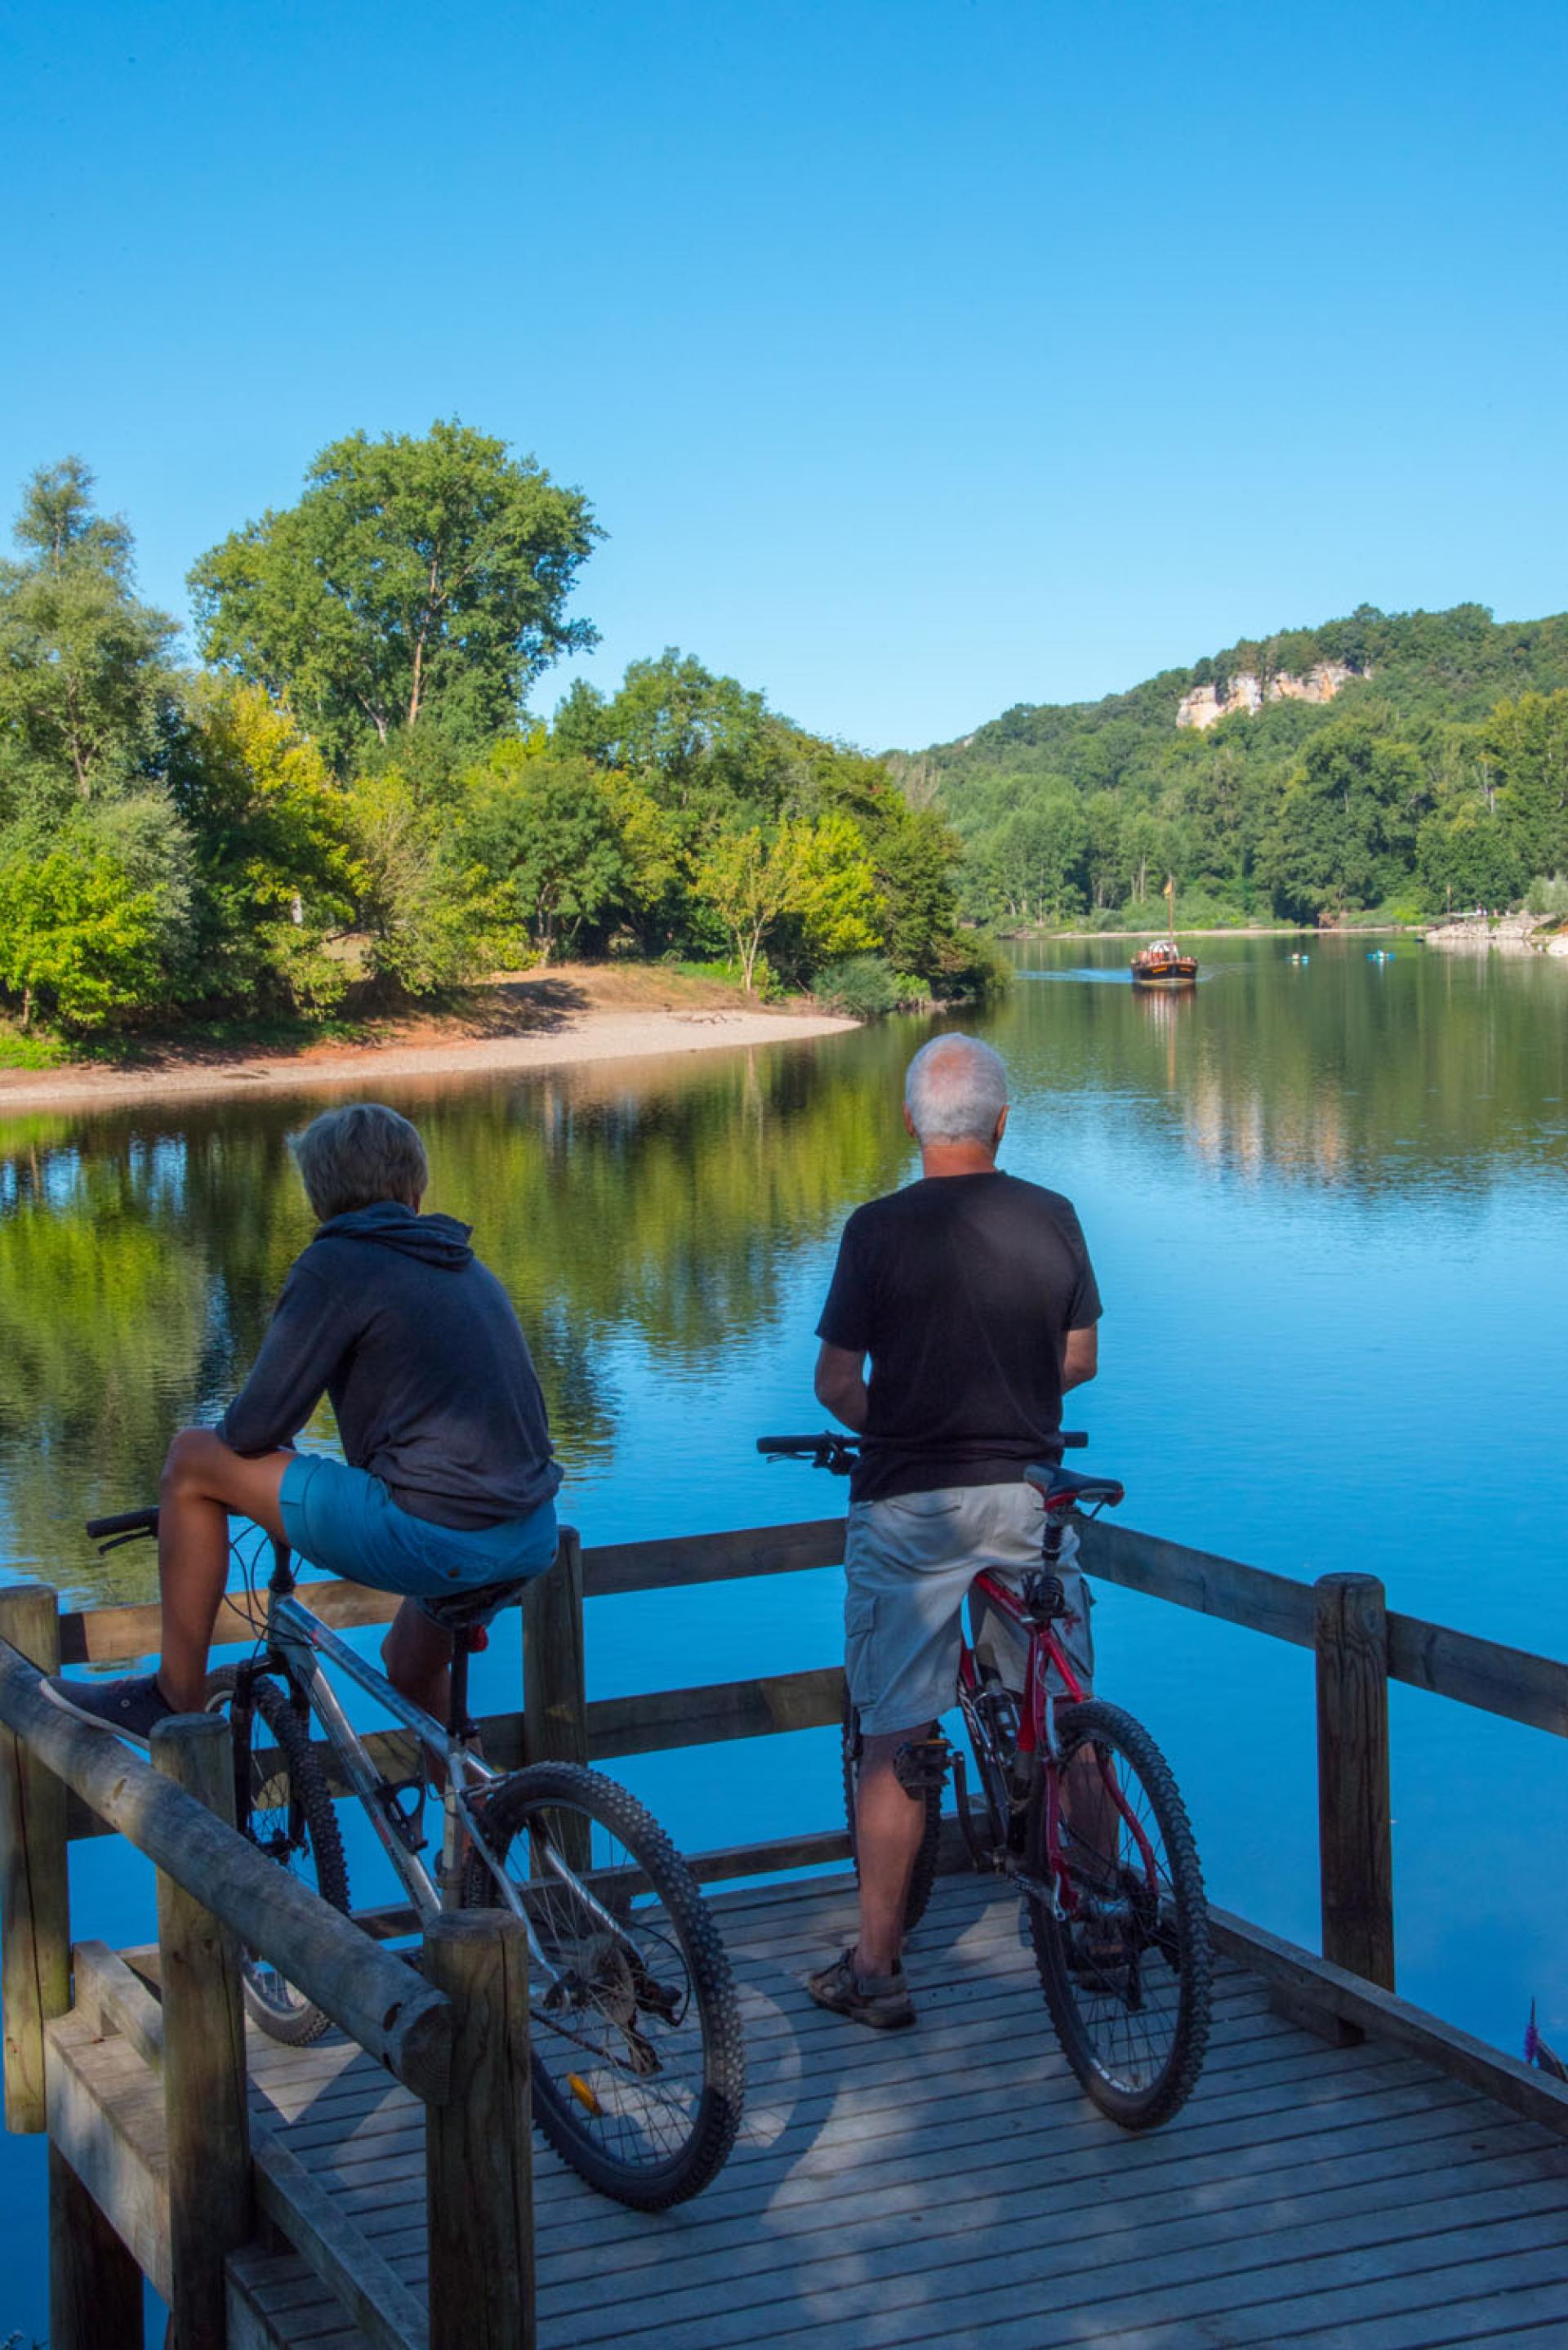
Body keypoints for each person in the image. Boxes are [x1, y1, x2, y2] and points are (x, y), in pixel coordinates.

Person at [43, 1103, 561, 1743]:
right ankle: (478, 1800)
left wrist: (249, 1465)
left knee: (191, 1459)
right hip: (528, 1532)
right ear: (416, 1190)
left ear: (319, 1198)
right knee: (408, 1664)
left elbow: (251, 1429)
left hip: (434, 1534)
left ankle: (171, 1694)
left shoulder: (339, 1260)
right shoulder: (463, 1262)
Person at [807, 1033, 1102, 2028]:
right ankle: (1101, 1923)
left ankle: (877, 1969)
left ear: (910, 1123)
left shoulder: (876, 1230)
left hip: (910, 1508)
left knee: (896, 1728)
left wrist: (903, 1421)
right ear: (1003, 1121)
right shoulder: (1053, 1216)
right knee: (1066, 1714)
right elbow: (1080, 1360)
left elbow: (836, 1384)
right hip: (1027, 1499)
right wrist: (1005, 1398)